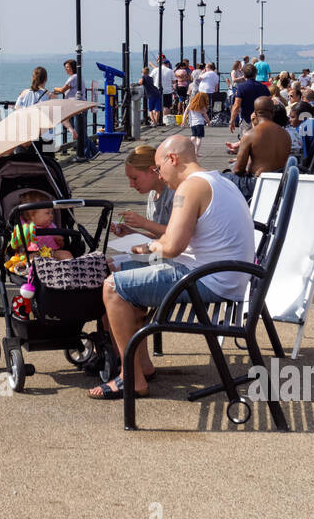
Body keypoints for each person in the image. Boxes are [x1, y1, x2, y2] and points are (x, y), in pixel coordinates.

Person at [91, 136, 255, 400]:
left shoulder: (189, 188)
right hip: (225, 274)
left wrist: (145, 249)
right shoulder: (219, 182)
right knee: (123, 274)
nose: (160, 176)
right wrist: (147, 248)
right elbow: (174, 241)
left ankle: (130, 379)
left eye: (159, 168)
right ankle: (141, 365)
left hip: (207, 279)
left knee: (112, 287)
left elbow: (172, 247)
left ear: (173, 159)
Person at [223, 96, 291, 201]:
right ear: (272, 111)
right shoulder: (285, 135)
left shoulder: (250, 135)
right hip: (278, 182)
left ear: (255, 112)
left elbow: (238, 170)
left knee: (220, 178)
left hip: (256, 184)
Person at [112, 145, 174, 239]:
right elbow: (160, 236)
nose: (131, 185)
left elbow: (180, 235)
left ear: (152, 171)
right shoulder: (153, 193)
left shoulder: (175, 193)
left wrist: (144, 223)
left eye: (134, 178)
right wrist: (131, 234)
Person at [10, 190, 73, 262]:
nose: (51, 216)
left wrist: (59, 241)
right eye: (47, 213)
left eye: (52, 213)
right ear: (32, 215)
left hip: (51, 253)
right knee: (31, 259)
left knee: (66, 254)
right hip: (33, 254)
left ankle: (70, 270)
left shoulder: (52, 226)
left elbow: (61, 246)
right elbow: (15, 246)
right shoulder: (24, 227)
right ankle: (36, 271)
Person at [229, 64, 269, 135]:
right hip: (261, 120)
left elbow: (236, 106)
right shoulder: (263, 87)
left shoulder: (241, 88)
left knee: (245, 142)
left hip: (246, 120)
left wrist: (232, 121)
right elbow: (269, 103)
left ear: (243, 74)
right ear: (255, 74)